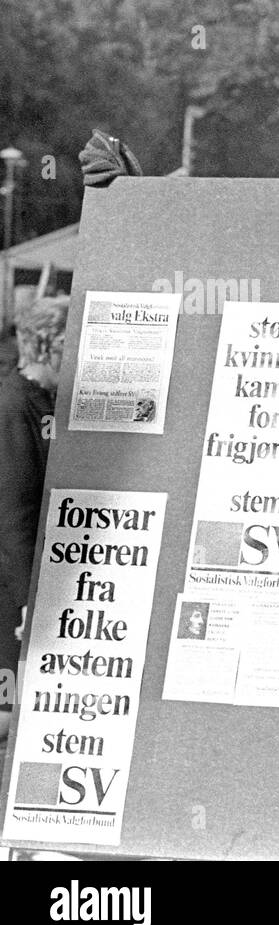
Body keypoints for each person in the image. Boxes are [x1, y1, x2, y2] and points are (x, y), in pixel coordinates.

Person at [0, 297, 68, 747]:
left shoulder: (45, 401)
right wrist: (29, 597)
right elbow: (15, 511)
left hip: (31, 578)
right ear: (47, 344)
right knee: (9, 718)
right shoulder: (14, 404)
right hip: (13, 584)